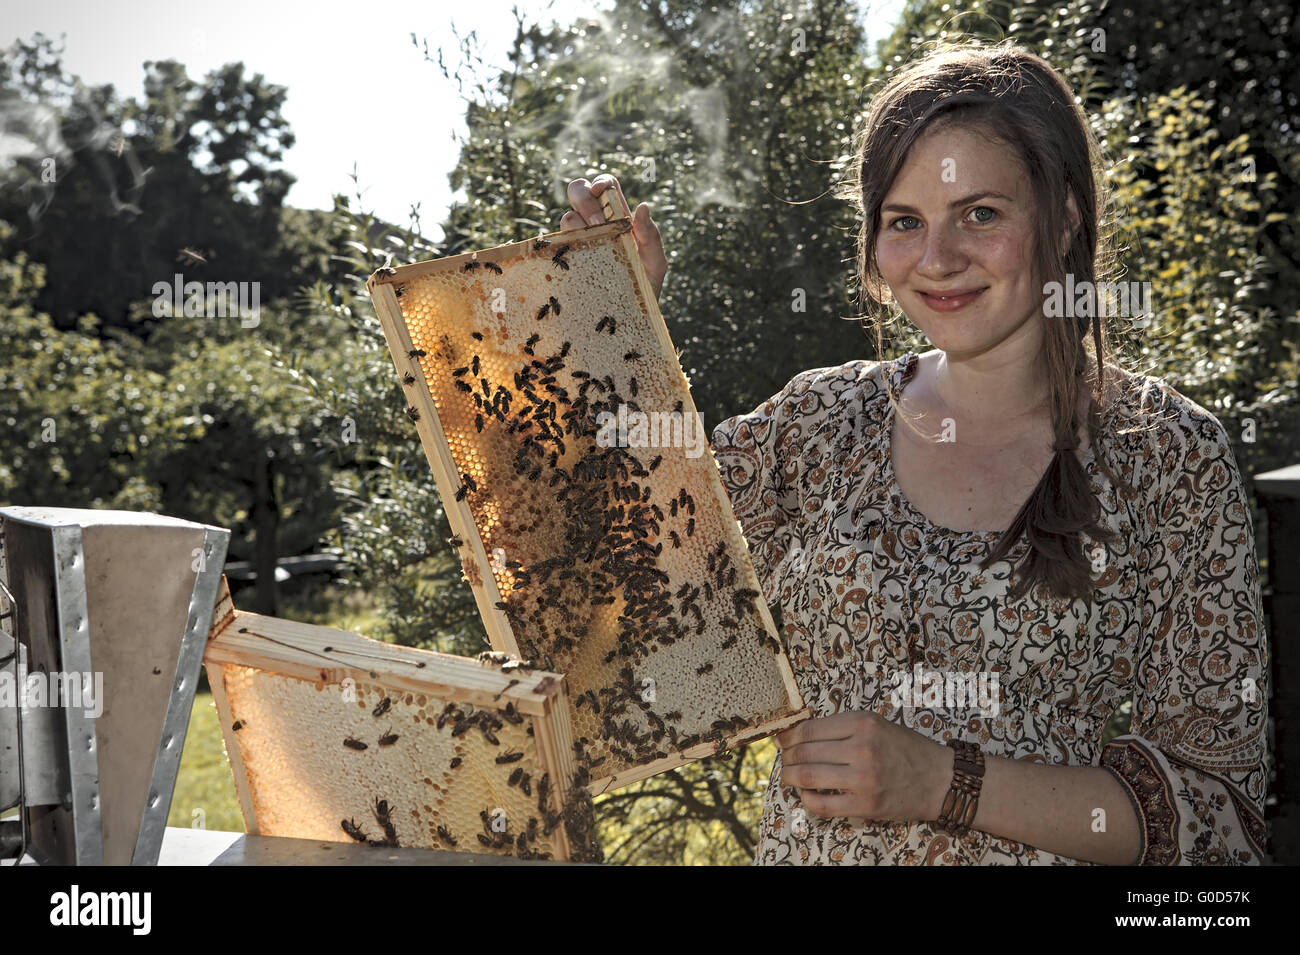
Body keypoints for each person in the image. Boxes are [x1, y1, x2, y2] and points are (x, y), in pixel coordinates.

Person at [559, 41, 1270, 865]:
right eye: (905, 222)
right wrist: (616, 326)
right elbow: (626, 593)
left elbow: (1222, 821)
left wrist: (945, 780)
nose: (937, 260)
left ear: (1065, 216)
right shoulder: (815, 423)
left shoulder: (1170, 454)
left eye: (981, 213)